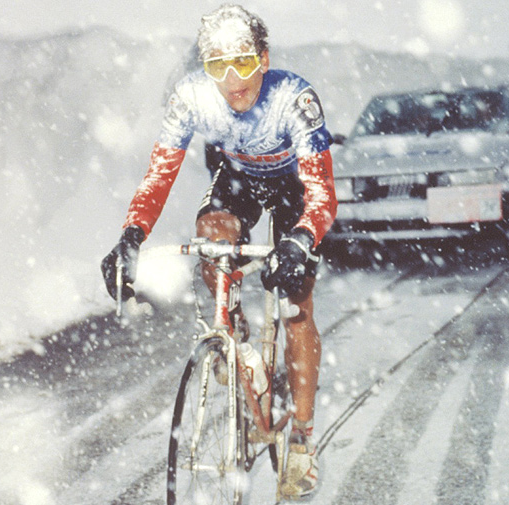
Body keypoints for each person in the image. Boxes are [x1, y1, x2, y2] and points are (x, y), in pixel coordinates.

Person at [100, 3, 337, 499]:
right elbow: (159, 173)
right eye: (217, 67)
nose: (233, 80)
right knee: (212, 237)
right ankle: (237, 340)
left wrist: (299, 239)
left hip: (294, 185)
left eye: (244, 63)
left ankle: (302, 440)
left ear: (264, 60)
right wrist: (131, 235)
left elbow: (321, 195)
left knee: (296, 304)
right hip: (240, 181)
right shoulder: (190, 98)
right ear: (204, 71)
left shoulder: (295, 98)